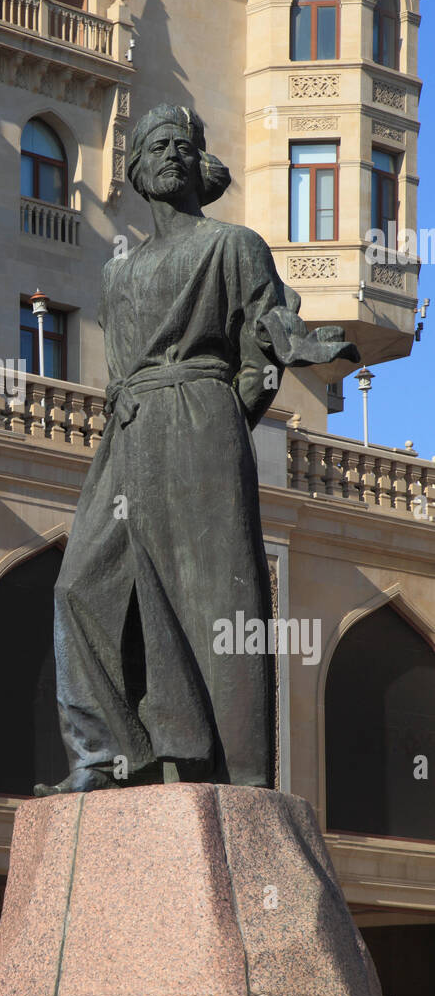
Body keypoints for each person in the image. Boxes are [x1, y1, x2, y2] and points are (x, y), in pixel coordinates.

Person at [35, 104, 359, 795]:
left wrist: (220, 416)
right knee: (80, 587)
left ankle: (226, 767)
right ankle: (111, 755)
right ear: (137, 172)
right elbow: (118, 367)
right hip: (127, 429)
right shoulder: (118, 273)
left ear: (199, 167)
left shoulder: (232, 246)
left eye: (183, 147)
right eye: (157, 147)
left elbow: (265, 340)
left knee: (212, 595)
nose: (172, 156)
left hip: (200, 419)